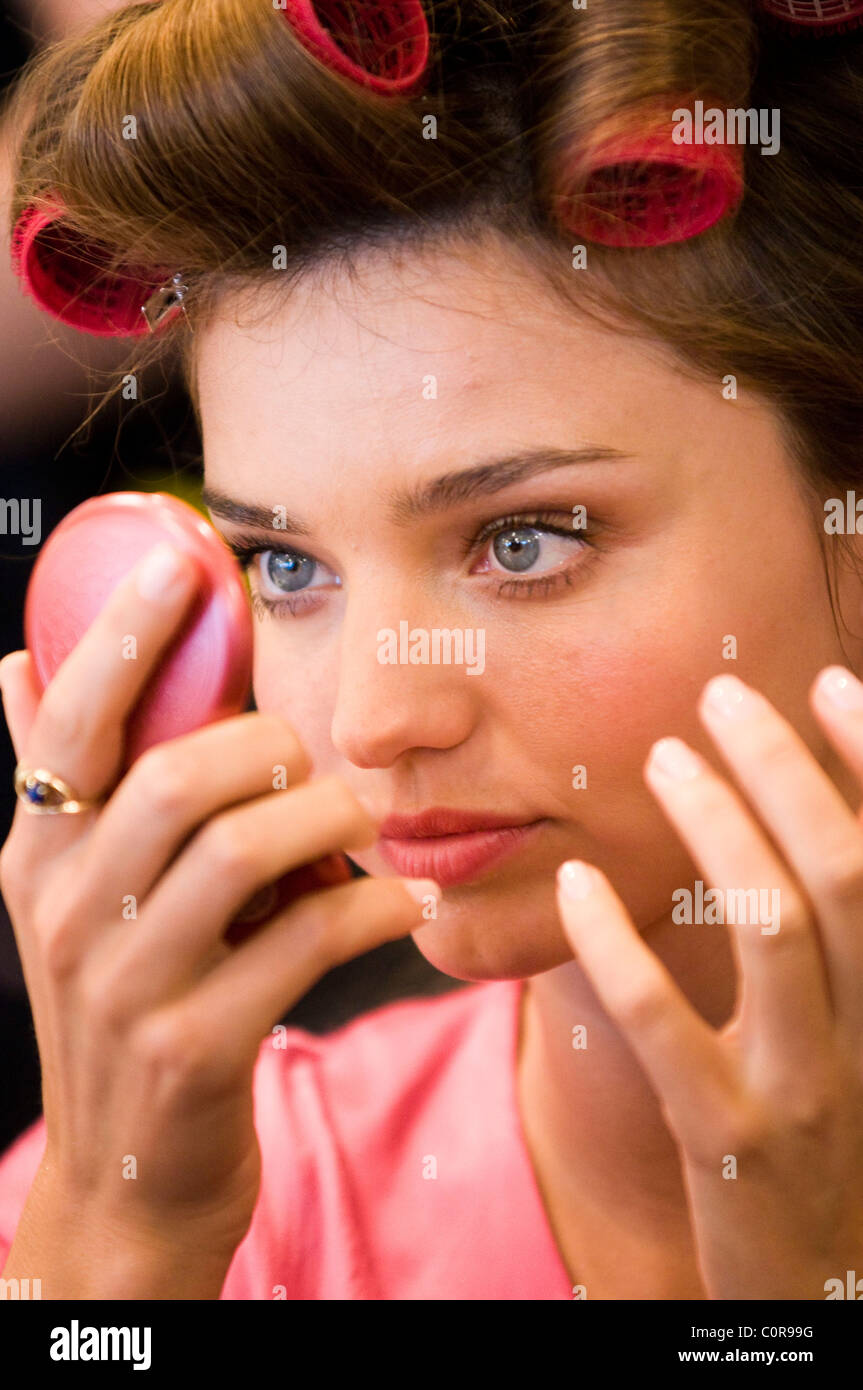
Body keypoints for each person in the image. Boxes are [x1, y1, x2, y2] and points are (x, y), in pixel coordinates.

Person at [1, 0, 862, 1301]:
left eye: (524, 540)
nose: (370, 717)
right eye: (288, 567)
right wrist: (113, 1247)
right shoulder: (187, 1204)